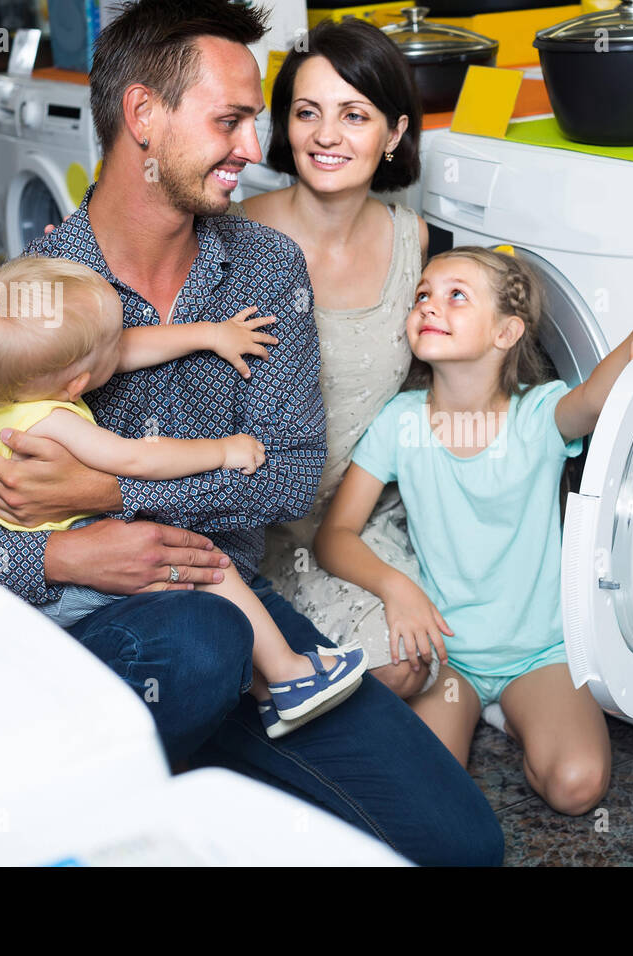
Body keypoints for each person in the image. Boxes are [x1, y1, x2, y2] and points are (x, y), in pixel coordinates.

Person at [0, 0, 502, 866]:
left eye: (254, 119)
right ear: (143, 117)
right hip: (80, 637)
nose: (255, 149)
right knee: (200, 642)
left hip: (246, 625)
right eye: (231, 120)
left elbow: (289, 473)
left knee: (461, 844)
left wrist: (115, 491)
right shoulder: (21, 304)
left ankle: (189, 774)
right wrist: (64, 557)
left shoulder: (263, 268)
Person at [315, 246, 633, 816]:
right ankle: (486, 713)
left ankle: (521, 716)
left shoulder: (537, 417)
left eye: (456, 296)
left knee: (576, 787)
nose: (429, 306)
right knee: (419, 796)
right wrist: (397, 588)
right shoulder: (400, 424)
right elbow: (334, 535)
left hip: (539, 655)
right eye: (422, 294)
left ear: (506, 332)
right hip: (448, 658)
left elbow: (596, 398)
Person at [0, 255, 367, 734]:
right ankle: (292, 676)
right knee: (207, 566)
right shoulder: (57, 422)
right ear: (77, 384)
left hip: (28, 586)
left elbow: (123, 349)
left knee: (196, 600)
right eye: (109, 347)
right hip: (73, 579)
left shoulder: (3, 394)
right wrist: (221, 450)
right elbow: (138, 461)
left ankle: (263, 692)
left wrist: (210, 334)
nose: (125, 344)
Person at [231, 17, 434, 699]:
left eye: (355, 115)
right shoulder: (234, 233)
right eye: (307, 112)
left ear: (395, 133)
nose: (326, 135)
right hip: (244, 526)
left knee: (406, 664)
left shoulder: (415, 242)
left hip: (358, 522)